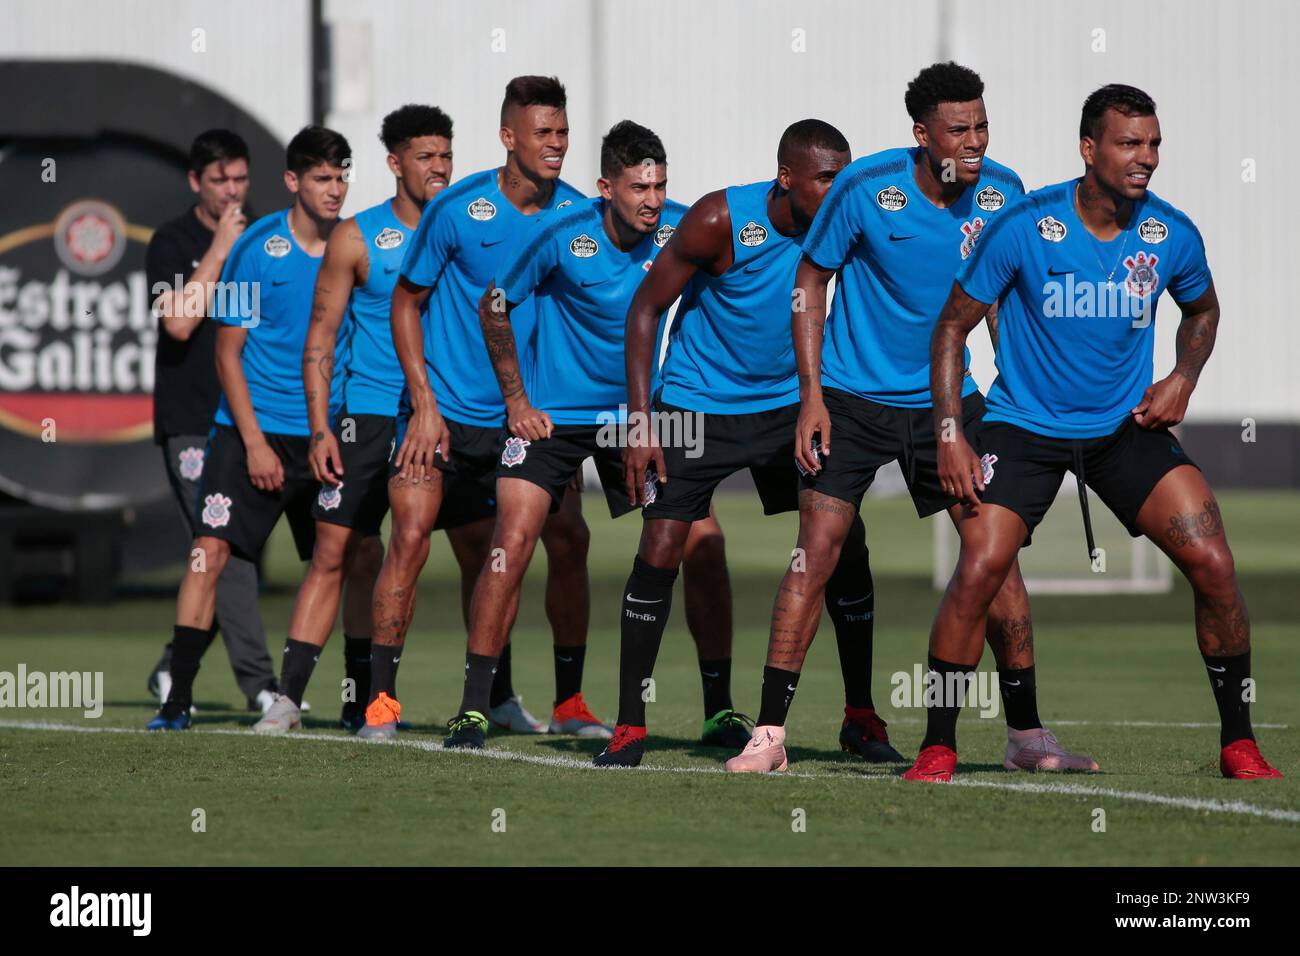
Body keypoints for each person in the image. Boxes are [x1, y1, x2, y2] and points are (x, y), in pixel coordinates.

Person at [727, 62, 1093, 774]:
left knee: (995, 557)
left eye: (983, 125)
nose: (976, 141)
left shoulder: (1004, 193)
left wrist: (1025, 389)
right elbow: (810, 280)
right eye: (960, 129)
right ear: (921, 135)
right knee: (817, 547)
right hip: (853, 402)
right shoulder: (865, 189)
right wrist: (809, 398)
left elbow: (1004, 297)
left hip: (950, 405)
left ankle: (1025, 736)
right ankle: (769, 735)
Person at [917, 84, 1281, 782]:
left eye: (1153, 144)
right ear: (1089, 149)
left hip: (1123, 431)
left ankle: (1239, 742)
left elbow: (1202, 311)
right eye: (1128, 143)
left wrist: (1184, 377)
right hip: (1022, 425)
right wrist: (949, 433)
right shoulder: (1024, 225)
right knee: (978, 570)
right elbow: (951, 328)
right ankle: (939, 745)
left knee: (1215, 562)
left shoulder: (1169, 233)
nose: (1145, 158)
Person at [598, 119, 907, 768]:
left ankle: (860, 715)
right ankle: (629, 724)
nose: (840, 190)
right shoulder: (718, 219)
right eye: (827, 178)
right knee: (661, 545)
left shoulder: (849, 224)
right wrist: (640, 421)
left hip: (791, 408)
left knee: (844, 541)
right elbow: (645, 311)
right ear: (787, 179)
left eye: (844, 177)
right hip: (697, 403)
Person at [366, 76, 604, 739]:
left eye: (562, 132)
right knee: (409, 540)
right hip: (441, 414)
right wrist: (422, 404)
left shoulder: (580, 214)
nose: (556, 145)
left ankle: (565, 705)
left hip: (529, 421)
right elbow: (404, 303)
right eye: (542, 134)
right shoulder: (459, 208)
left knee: (565, 540)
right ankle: (381, 706)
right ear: (508, 138)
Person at [442, 120, 687, 750]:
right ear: (606, 187)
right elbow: (494, 303)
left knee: (696, 539)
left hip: (636, 418)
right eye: (639, 187)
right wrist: (516, 401)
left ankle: (711, 708)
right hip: (551, 419)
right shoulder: (559, 233)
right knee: (512, 540)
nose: (652, 200)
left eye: (659, 185)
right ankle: (474, 707)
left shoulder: (683, 229)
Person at [254, 106, 455, 735]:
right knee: (337, 553)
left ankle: (409, 702)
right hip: (363, 418)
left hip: (439, 420)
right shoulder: (358, 237)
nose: (439, 168)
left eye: (446, 155)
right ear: (395, 164)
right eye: (425, 157)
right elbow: (321, 335)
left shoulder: (468, 232)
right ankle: (288, 700)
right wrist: (319, 428)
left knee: (430, 549)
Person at [147, 126, 352, 730]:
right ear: (294, 182)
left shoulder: (358, 243)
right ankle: (178, 698)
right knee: (211, 555)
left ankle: (355, 697)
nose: (335, 188)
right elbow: (222, 351)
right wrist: (256, 441)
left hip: (326, 435)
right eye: (322, 176)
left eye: (343, 175)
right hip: (247, 435)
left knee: (348, 559)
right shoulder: (254, 246)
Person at [145, 129, 281, 713]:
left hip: (253, 417)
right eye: (221, 179)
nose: (233, 191)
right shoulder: (172, 242)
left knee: (233, 550)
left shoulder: (264, 240)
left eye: (241, 179)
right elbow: (177, 322)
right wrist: (221, 248)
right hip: (194, 420)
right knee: (221, 549)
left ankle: (173, 666)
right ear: (195, 182)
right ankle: (260, 685)